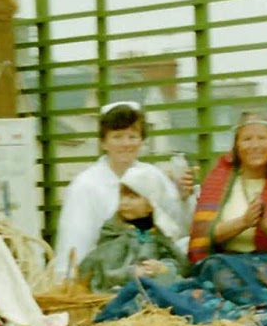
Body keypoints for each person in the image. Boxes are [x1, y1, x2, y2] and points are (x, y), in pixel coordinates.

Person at [52, 101, 193, 280]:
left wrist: (183, 196)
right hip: (106, 275)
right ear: (103, 142)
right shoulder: (85, 185)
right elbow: (74, 244)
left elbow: (177, 229)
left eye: (132, 137)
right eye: (117, 137)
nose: (126, 144)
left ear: (142, 140)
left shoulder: (153, 176)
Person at [189, 115, 267, 261]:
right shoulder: (217, 183)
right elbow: (203, 236)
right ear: (236, 146)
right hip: (229, 270)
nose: (255, 146)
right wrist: (243, 222)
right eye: (247, 139)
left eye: (262, 138)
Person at [76, 164, 189, 293]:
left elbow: (180, 263)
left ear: (150, 205)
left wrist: (162, 267)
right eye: (122, 197)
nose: (124, 202)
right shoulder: (114, 231)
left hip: (151, 286)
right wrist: (132, 272)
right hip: (116, 289)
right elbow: (106, 267)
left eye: (132, 197)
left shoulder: (158, 234)